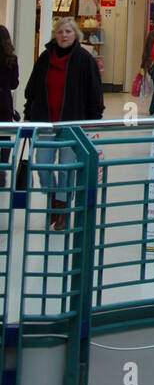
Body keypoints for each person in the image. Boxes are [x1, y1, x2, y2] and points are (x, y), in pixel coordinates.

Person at [24, 18, 103, 230]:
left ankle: (61, 209)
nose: (64, 35)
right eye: (60, 32)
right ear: (55, 35)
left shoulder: (85, 60)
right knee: (43, 166)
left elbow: (95, 93)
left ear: (75, 35)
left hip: (72, 125)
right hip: (45, 123)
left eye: (68, 31)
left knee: (67, 170)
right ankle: (54, 199)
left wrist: (92, 121)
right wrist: (29, 113)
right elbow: (31, 89)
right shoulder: (45, 58)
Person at [0, 25, 19, 188]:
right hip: (4, 101)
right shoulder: (11, 59)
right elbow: (14, 84)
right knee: (5, 137)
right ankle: (2, 171)